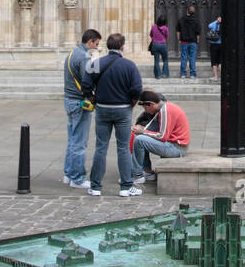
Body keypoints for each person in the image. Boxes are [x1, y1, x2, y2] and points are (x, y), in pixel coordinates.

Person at [87, 33, 143, 197]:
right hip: (123, 109)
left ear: (107, 46)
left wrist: (94, 100)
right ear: (122, 47)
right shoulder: (129, 65)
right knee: (123, 148)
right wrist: (130, 104)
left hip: (103, 108)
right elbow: (136, 89)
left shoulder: (96, 63)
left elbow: (85, 85)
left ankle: (95, 186)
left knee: (100, 147)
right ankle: (126, 186)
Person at [63, 27, 101, 188]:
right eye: (96, 44)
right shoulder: (84, 57)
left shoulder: (72, 54)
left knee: (72, 139)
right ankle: (77, 178)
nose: (97, 47)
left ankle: (68, 173)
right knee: (79, 142)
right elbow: (88, 80)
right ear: (90, 41)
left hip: (69, 100)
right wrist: (93, 97)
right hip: (79, 102)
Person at [130, 89, 190, 183]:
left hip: (177, 148)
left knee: (140, 140)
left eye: (146, 108)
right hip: (172, 144)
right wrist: (142, 130)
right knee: (140, 138)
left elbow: (162, 136)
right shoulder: (163, 108)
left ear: (152, 104)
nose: (146, 111)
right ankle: (147, 172)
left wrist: (142, 130)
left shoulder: (165, 110)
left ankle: (138, 175)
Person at [177, 4, 200, 78]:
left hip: (184, 42)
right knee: (192, 58)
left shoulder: (181, 19)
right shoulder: (196, 21)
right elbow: (198, 33)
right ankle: (192, 74)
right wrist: (197, 41)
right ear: (194, 12)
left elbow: (178, 31)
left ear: (187, 11)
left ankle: (183, 74)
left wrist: (179, 39)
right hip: (193, 42)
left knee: (184, 58)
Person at [150, 13, 169, 79]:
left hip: (155, 45)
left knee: (156, 61)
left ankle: (158, 75)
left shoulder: (154, 26)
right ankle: (165, 74)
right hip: (162, 45)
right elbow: (167, 37)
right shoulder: (166, 28)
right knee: (165, 60)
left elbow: (151, 35)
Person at [208, 14, 222, 80]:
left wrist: (216, 21)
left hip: (213, 44)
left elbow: (209, 25)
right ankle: (223, 77)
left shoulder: (214, 24)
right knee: (220, 61)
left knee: (214, 61)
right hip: (221, 44)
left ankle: (215, 77)